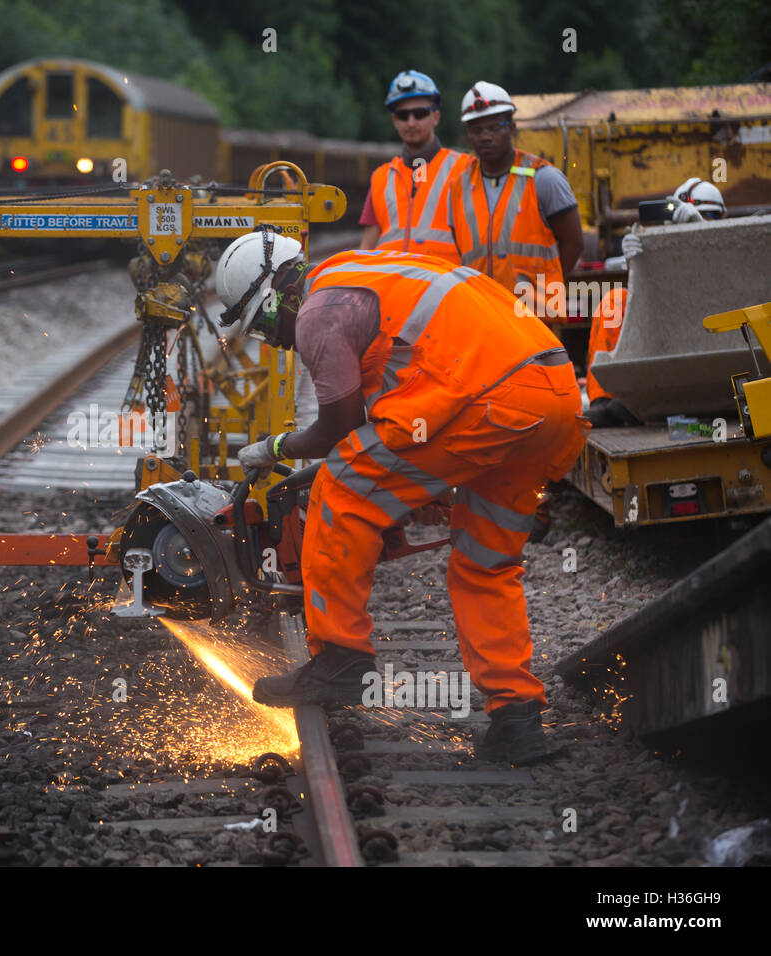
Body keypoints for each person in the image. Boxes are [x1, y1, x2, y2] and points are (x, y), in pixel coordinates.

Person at [215, 228, 589, 764]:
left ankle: (340, 658)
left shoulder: (320, 311)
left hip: (485, 401)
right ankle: (518, 721)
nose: (275, 341)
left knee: (339, 490)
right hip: (552, 402)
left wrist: (274, 448)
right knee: (486, 566)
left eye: (266, 326)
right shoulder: (361, 272)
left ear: (275, 291)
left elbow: (339, 426)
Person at [585, 178, 727, 426]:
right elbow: (652, 295)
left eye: (708, 216)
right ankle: (605, 404)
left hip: (710, 338)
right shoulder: (668, 244)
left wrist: (699, 231)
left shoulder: (733, 245)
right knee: (615, 302)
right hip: (668, 340)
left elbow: (717, 284)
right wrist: (638, 262)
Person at [447, 82, 583, 323]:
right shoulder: (459, 188)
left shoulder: (544, 179)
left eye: (493, 127)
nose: (485, 137)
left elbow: (573, 243)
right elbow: (464, 250)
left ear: (511, 127)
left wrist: (542, 293)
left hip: (535, 320)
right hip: (482, 319)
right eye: (476, 130)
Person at [359, 70, 466, 262]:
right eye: (403, 115)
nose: (411, 122)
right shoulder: (381, 178)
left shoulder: (463, 170)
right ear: (394, 121)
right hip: (391, 288)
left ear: (436, 117)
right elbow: (366, 249)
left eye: (419, 114)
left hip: (443, 287)